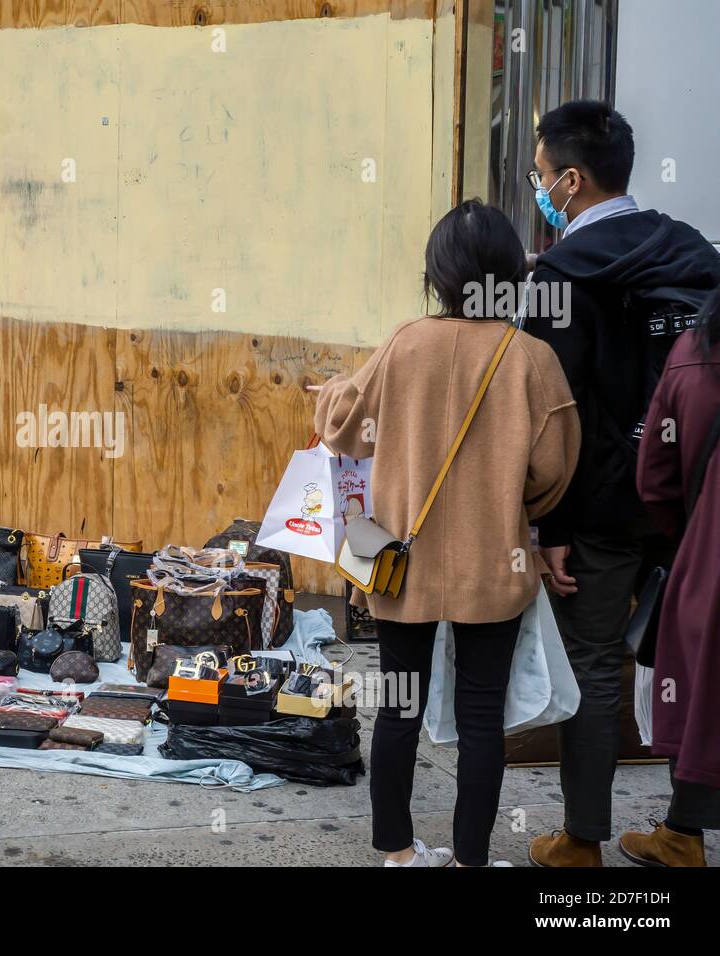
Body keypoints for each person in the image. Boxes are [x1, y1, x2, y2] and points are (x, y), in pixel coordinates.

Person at [314, 200, 579, 867]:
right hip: (495, 566)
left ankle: (398, 854)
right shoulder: (532, 359)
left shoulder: (405, 344)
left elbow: (341, 425)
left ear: (439, 273)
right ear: (507, 273)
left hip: (402, 565)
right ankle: (469, 860)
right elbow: (554, 468)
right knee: (481, 718)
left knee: (399, 707)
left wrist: (335, 388)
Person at [523, 101, 720, 867]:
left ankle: (583, 839)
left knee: (596, 663)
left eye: (542, 176)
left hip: (599, 507)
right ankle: (683, 831)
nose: (541, 189)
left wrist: (550, 528)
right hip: (697, 502)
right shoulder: (692, 252)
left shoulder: (561, 276)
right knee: (696, 661)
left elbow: (550, 416)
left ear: (571, 181)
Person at [618, 290, 720, 866]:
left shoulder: (693, 351)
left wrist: (694, 537)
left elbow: (654, 476)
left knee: (706, 691)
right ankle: (680, 831)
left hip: (710, 557)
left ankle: (683, 835)